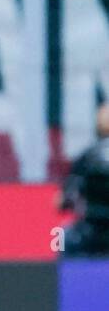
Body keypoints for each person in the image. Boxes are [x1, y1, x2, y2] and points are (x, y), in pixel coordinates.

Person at [59, 103, 109, 256]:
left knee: (61, 238)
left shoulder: (86, 157)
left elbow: (64, 200)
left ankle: (70, 279)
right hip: (93, 231)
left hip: (90, 231)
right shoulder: (85, 157)